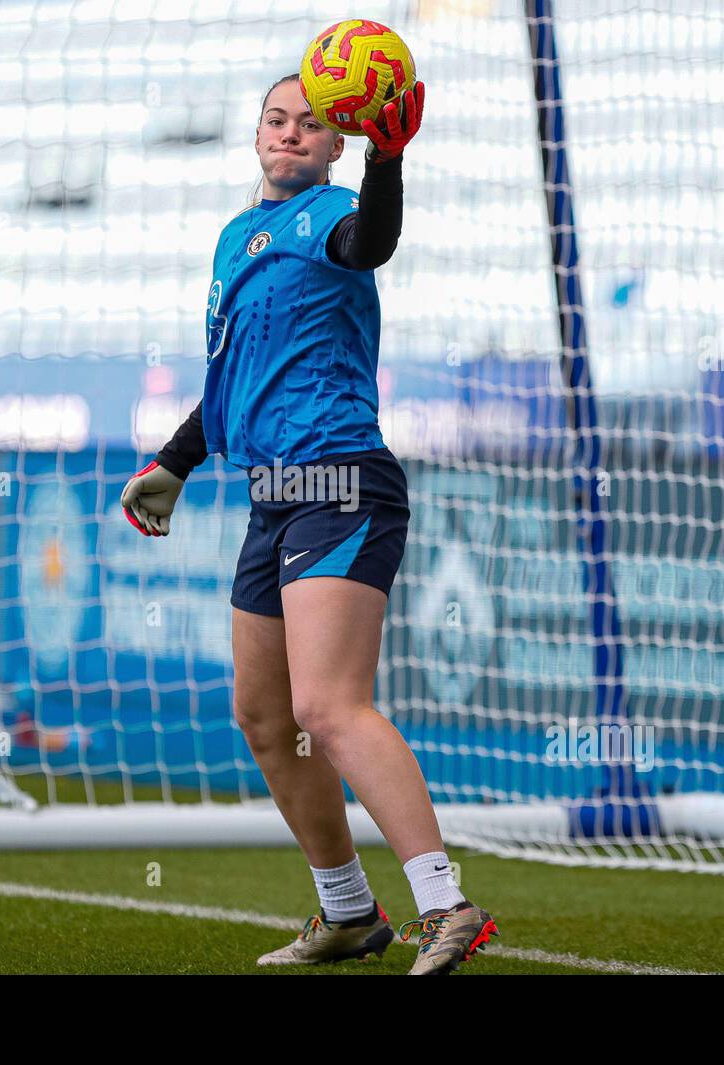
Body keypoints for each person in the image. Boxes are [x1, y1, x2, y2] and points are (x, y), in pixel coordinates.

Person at [120, 73, 497, 975]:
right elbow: (230, 379)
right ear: (256, 131)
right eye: (276, 118)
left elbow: (375, 240)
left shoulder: (334, 213)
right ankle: (347, 913)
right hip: (271, 497)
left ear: (337, 144)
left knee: (328, 705)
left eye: (312, 124)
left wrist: (388, 159)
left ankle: (447, 905)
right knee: (262, 715)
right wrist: (174, 463)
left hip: (342, 485)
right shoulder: (232, 237)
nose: (290, 133)